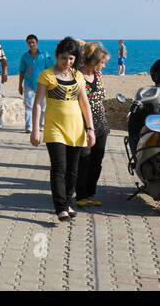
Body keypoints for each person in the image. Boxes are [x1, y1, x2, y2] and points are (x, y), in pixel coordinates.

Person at [30, 36, 97, 222]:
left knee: (73, 171)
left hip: (76, 128)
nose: (67, 62)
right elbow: (37, 104)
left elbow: (85, 103)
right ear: (56, 56)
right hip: (54, 129)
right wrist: (35, 130)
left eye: (71, 59)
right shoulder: (47, 75)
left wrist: (90, 129)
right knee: (59, 168)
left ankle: (68, 202)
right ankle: (60, 207)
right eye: (63, 58)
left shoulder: (77, 76)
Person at [75, 42, 111, 207]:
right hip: (82, 123)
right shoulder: (78, 76)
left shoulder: (99, 76)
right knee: (84, 159)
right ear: (93, 62)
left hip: (100, 123)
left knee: (97, 160)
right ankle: (80, 195)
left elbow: (101, 98)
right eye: (102, 63)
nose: (103, 66)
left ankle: (91, 193)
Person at [18, 34, 51, 133]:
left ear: (37, 43)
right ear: (27, 44)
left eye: (33, 42)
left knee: (43, 106)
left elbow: (50, 69)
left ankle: (41, 125)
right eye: (29, 43)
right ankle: (29, 126)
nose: (31, 44)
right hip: (29, 84)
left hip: (43, 84)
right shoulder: (25, 56)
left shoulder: (44, 55)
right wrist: (20, 85)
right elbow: (22, 71)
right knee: (29, 105)